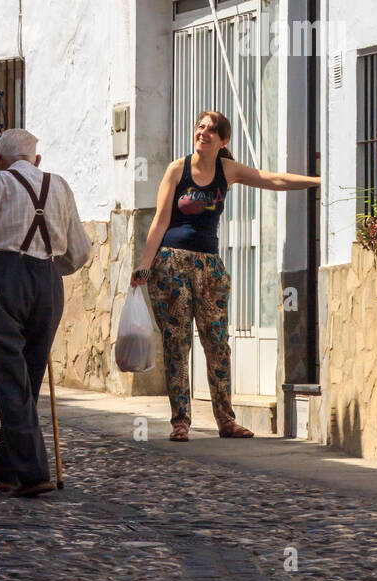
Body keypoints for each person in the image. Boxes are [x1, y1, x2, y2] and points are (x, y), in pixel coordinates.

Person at [132, 110, 319, 441]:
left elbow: (272, 179)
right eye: (200, 127)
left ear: (223, 141)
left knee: (217, 343)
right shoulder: (178, 168)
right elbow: (160, 220)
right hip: (171, 264)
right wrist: (145, 266)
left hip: (211, 268)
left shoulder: (227, 170)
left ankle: (226, 420)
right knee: (177, 343)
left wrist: (317, 181)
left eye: (211, 130)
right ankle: (181, 421)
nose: (203, 132)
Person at [0, 128, 92, 497]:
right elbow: (80, 251)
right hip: (48, 284)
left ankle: (32, 473)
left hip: (0, 283)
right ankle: (6, 468)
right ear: (37, 160)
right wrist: (46, 271)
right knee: (26, 378)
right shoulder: (59, 185)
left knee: (11, 376)